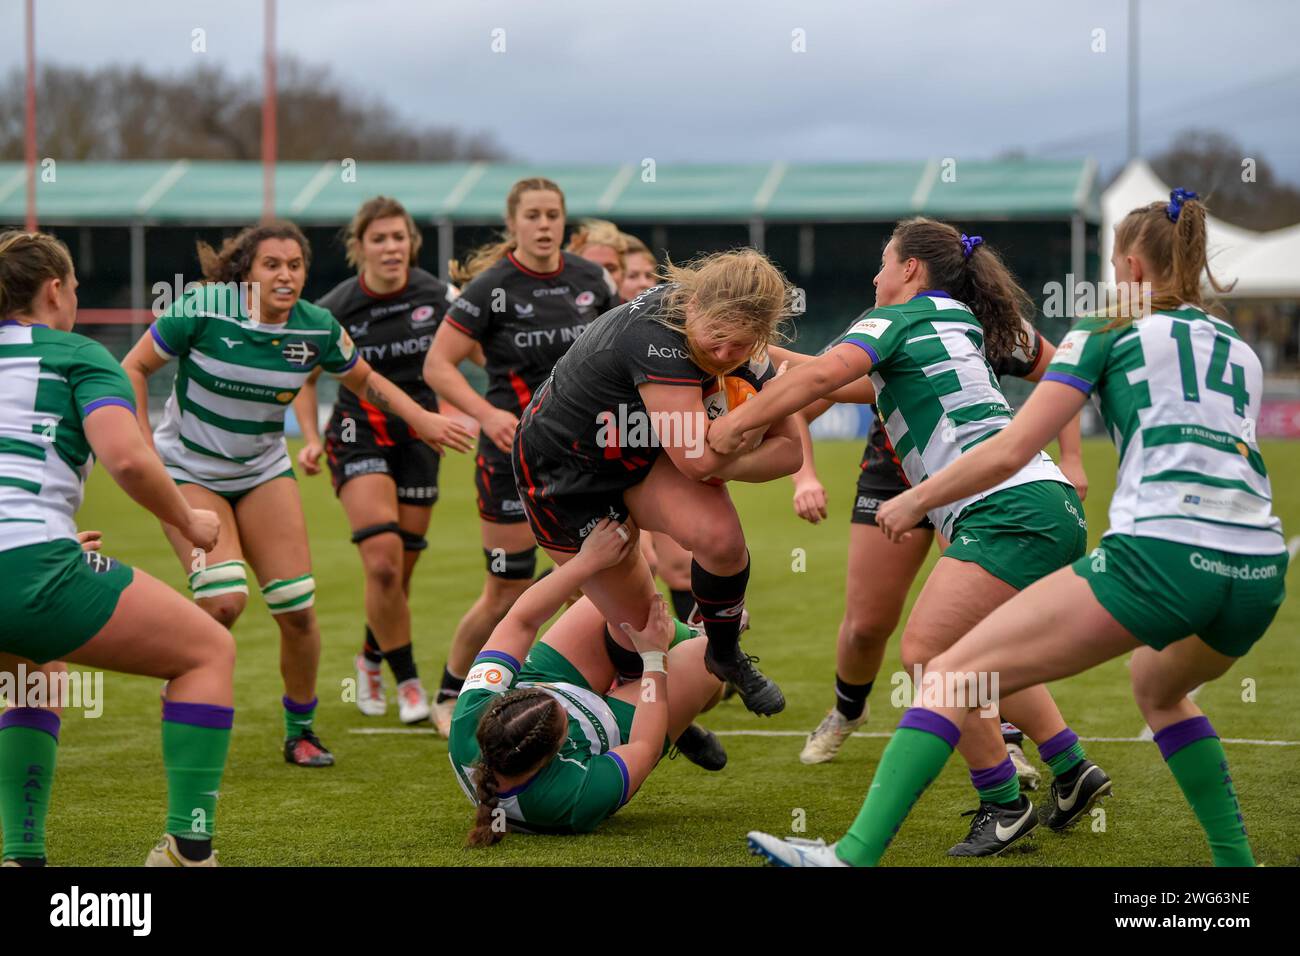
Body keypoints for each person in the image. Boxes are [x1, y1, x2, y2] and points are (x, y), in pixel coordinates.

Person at [746, 189, 1287, 868]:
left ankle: (870, 849)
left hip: (1157, 550)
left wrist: (917, 502)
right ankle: (1234, 867)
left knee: (940, 668)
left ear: (1132, 266)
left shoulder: (1106, 326)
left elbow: (1005, 449)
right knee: (1158, 688)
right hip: (1260, 564)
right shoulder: (1239, 347)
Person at [711, 220, 1108, 856]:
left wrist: (729, 432)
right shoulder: (952, 323)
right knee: (977, 653)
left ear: (910, 271)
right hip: (1040, 504)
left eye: (882, 263)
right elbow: (843, 378)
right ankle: (1071, 768)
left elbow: (818, 384)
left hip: (1003, 509)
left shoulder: (894, 319)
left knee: (929, 652)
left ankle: (1002, 803)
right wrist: (765, 356)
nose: (874, 276)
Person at [121, 221, 470, 767]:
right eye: (271, 265)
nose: (285, 275)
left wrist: (422, 418)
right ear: (247, 272)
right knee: (223, 600)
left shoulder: (317, 328)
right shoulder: (203, 307)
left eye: (294, 265)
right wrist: (142, 449)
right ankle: (181, 686)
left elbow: (365, 381)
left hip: (261, 472)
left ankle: (301, 732)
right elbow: (135, 367)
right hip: (188, 470)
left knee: (297, 608)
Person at [0, 231, 234, 867]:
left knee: (33, 672)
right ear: (55, 290)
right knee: (208, 652)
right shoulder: (79, 354)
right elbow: (129, 459)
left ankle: (22, 854)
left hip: (21, 556)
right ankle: (189, 848)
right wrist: (189, 521)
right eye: (74, 288)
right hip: (29, 567)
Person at [787, 323, 1087, 783]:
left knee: (972, 629)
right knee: (868, 625)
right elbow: (807, 396)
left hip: (974, 482)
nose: (877, 276)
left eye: (888, 261)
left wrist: (1074, 458)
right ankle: (848, 710)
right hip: (893, 479)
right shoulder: (882, 327)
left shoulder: (994, 319)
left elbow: (1062, 374)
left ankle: (1007, 743)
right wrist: (804, 475)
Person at [512, 249, 803, 717]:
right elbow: (695, 461)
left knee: (722, 541)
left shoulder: (739, 333)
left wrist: (730, 443)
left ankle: (723, 653)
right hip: (566, 475)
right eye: (717, 343)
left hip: (639, 455)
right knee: (638, 623)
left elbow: (790, 453)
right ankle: (662, 722)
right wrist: (745, 428)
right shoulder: (655, 337)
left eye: (741, 347)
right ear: (693, 309)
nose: (726, 358)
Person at [423, 178, 618, 736]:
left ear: (563, 220)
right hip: (511, 460)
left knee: (595, 583)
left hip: (584, 459)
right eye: (532, 215)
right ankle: (451, 687)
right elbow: (439, 365)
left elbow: (618, 350)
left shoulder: (591, 281)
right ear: (513, 224)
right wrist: (485, 415)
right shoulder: (490, 288)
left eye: (552, 214)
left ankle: (599, 695)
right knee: (508, 588)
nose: (543, 224)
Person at [294, 196, 464, 724]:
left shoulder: (440, 296)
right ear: (360, 246)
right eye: (379, 238)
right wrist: (310, 436)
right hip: (357, 431)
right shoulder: (335, 306)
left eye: (399, 237)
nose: (391, 247)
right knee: (383, 563)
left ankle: (370, 656)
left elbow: (476, 352)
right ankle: (408, 683)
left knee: (400, 574)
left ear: (411, 243)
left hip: (421, 437)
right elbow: (306, 376)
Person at [452, 519, 726, 842]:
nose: (567, 707)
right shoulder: (572, 797)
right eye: (564, 718)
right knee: (710, 655)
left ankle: (666, 667)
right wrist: (653, 657)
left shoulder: (468, 721)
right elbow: (644, 747)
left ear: (501, 706)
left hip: (551, 677)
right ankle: (691, 663)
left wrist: (588, 561)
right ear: (553, 754)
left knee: (619, 593)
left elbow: (521, 620)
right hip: (617, 730)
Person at [567, 219, 627, 296]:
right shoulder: (555, 307)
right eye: (591, 269)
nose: (603, 278)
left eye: (611, 269)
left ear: (623, 273)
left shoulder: (638, 307)